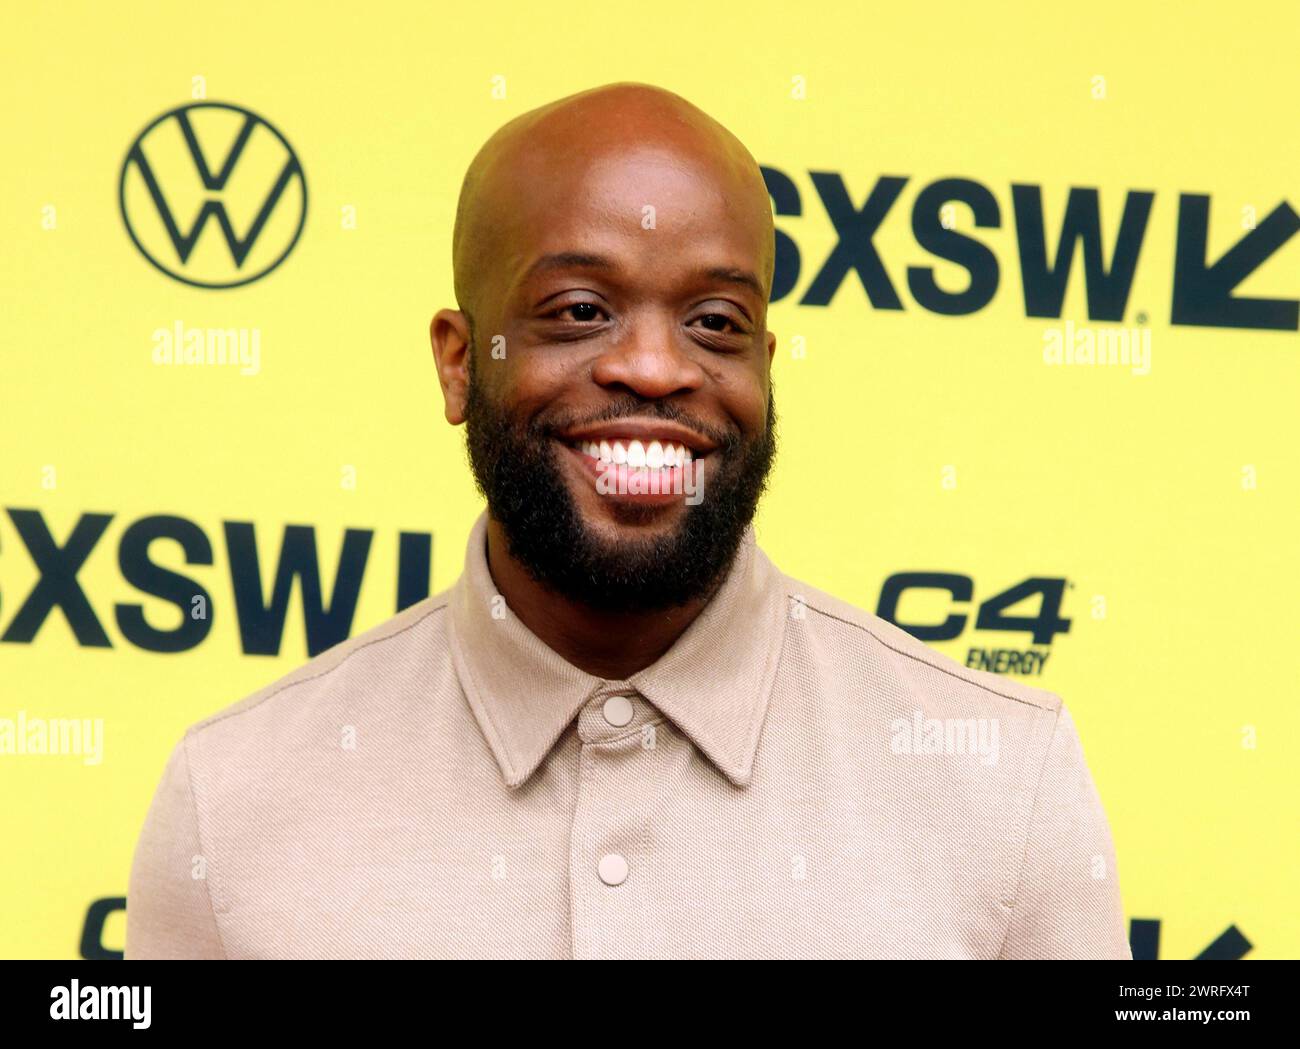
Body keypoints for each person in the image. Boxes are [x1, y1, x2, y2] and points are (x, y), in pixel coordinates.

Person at [125, 81, 1131, 959]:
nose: (654, 367)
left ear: (764, 372)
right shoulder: (235, 798)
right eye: (577, 310)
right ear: (458, 358)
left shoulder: (1003, 781)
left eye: (715, 323)